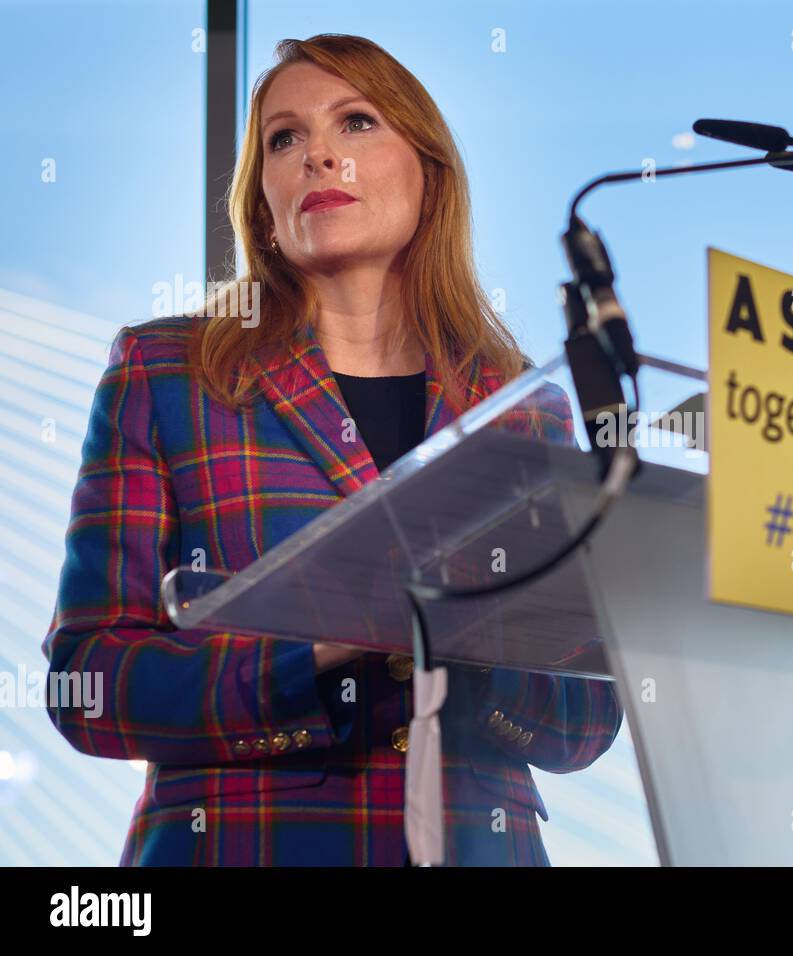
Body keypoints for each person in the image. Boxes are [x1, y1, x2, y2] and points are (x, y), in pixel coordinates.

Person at [41, 33, 622, 866]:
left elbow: (587, 720)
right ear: (264, 200)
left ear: (429, 173)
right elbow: (85, 682)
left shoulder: (523, 412)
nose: (318, 155)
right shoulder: (166, 373)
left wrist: (466, 637)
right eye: (285, 138)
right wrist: (318, 653)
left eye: (355, 123)